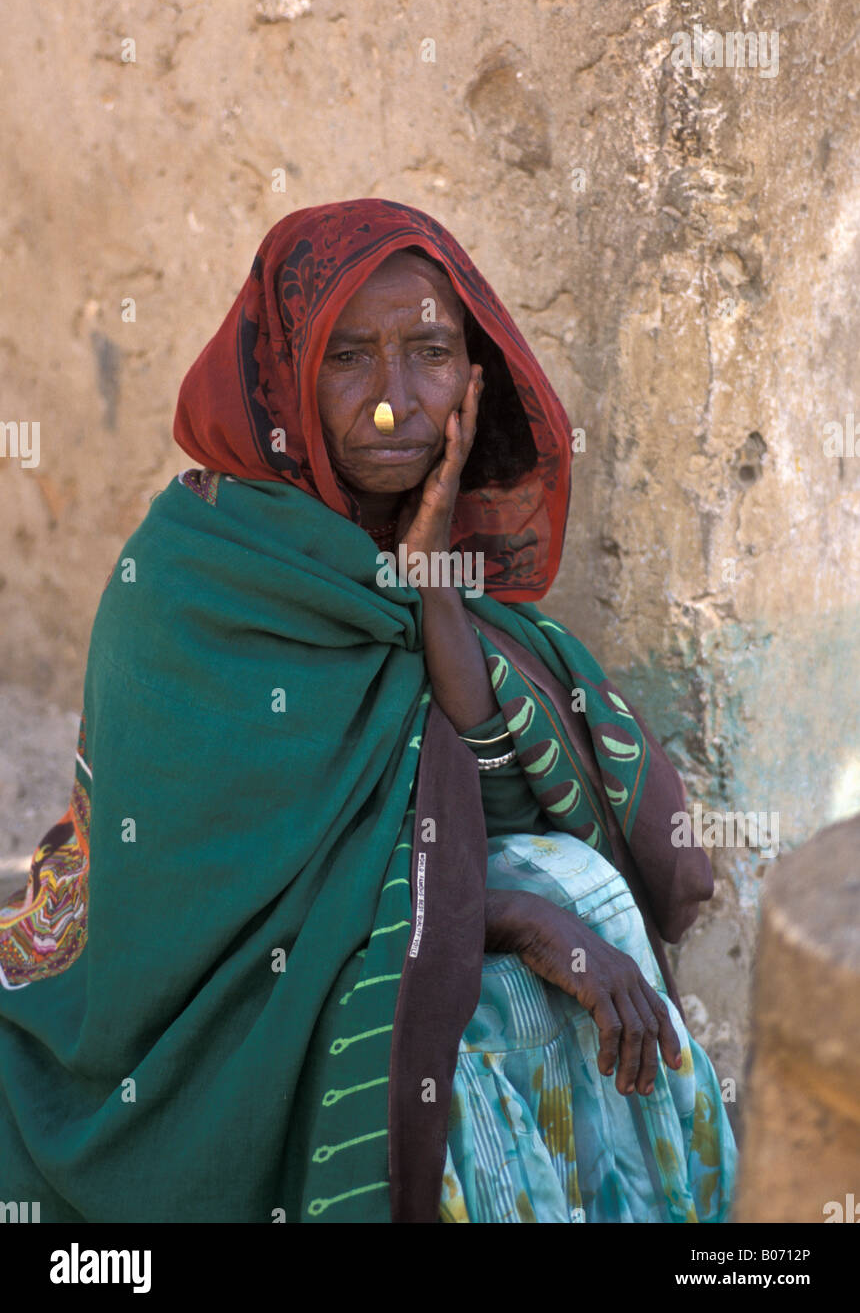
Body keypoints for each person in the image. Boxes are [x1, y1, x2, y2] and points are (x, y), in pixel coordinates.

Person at [0, 197, 736, 1223]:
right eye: (347, 359)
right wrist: (519, 922)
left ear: (473, 379)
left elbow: (495, 796)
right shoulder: (191, 580)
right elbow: (223, 906)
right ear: (285, 377)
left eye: (429, 352)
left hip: (378, 920)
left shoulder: (428, 574)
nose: (393, 403)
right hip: (218, 999)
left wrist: (431, 578)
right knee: (446, 1033)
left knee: (579, 900)